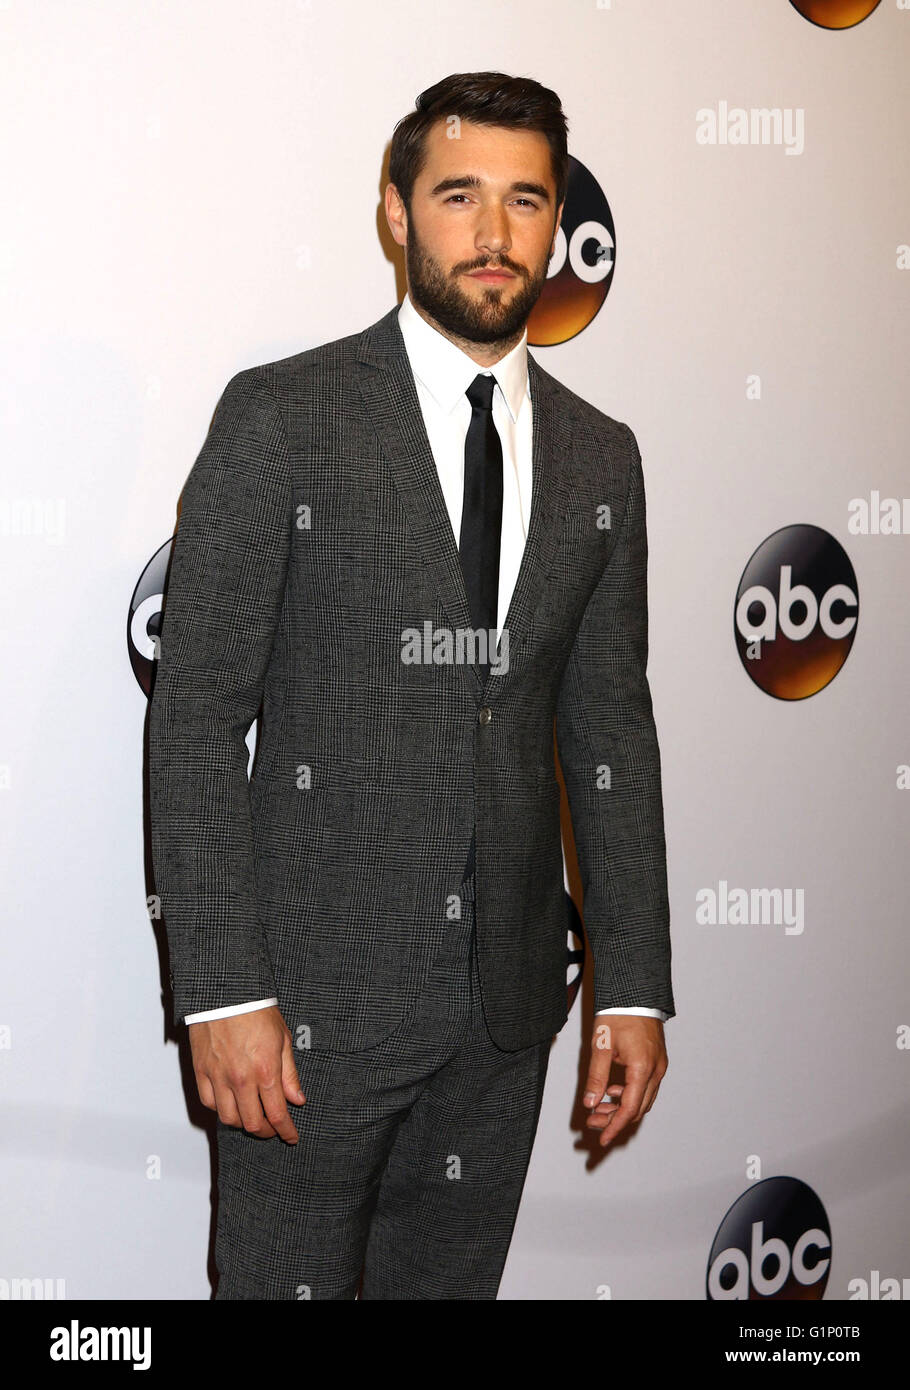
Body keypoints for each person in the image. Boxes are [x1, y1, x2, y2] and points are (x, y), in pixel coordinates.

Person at [148, 70, 674, 1301]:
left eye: (525, 201)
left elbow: (612, 730)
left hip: (503, 1020)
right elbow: (195, 719)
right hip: (304, 1016)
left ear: (557, 221)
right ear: (396, 214)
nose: (494, 236)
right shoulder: (284, 418)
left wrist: (634, 984)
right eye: (458, 196)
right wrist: (224, 988)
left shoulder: (605, 455)